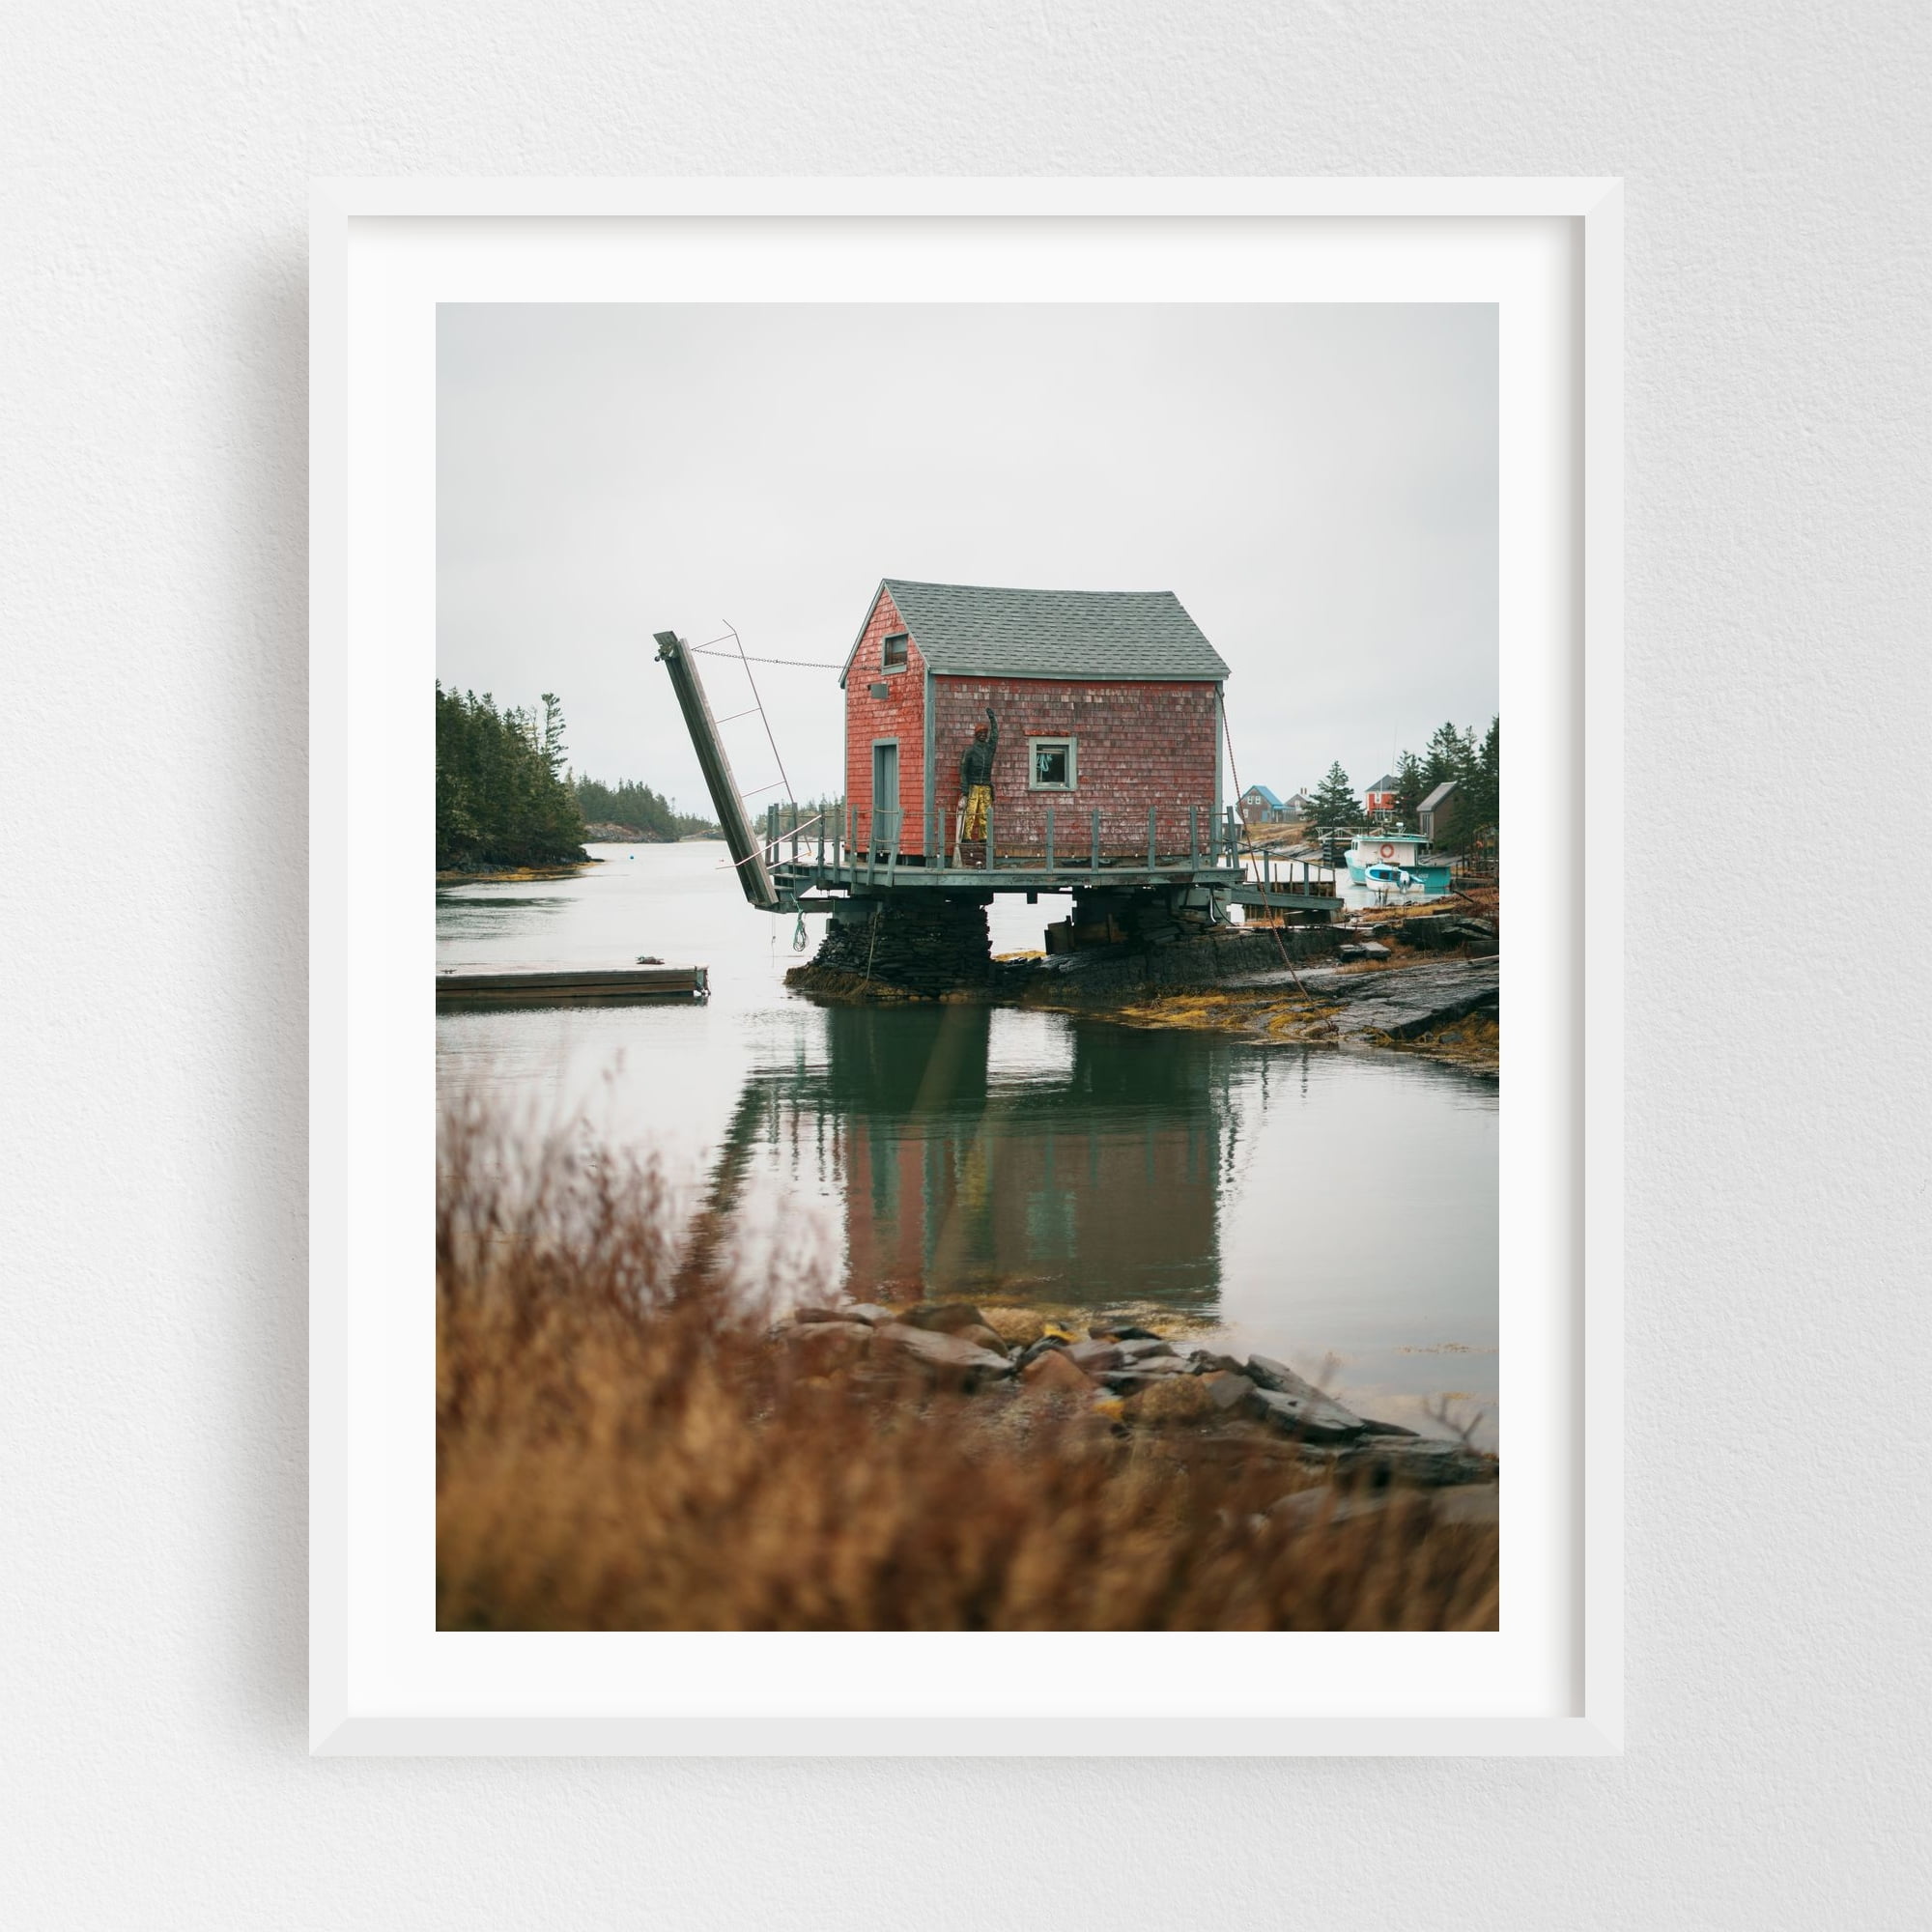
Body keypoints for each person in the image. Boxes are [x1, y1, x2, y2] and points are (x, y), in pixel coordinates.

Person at [956, 707, 998, 866]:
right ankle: (966, 837)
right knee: (971, 812)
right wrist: (965, 788)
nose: (983, 735)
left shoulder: (989, 749)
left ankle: (984, 837)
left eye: (984, 733)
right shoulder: (970, 751)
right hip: (973, 786)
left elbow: (996, 736)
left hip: (986, 786)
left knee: (985, 814)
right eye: (980, 733)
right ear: (976, 735)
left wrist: (993, 719)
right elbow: (963, 771)